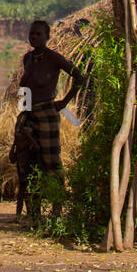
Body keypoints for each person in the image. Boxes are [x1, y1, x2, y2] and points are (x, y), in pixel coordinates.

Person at [15, 19, 85, 225]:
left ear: (47, 37)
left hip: (47, 113)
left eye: (38, 34)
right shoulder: (28, 58)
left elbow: (79, 76)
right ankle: (33, 212)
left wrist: (63, 102)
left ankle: (56, 209)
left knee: (51, 162)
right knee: (27, 163)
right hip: (28, 114)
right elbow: (25, 88)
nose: (34, 37)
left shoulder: (53, 58)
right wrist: (23, 113)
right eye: (32, 34)